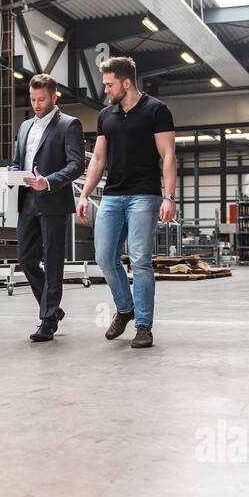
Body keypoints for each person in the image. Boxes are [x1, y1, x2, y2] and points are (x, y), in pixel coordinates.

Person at [76, 56, 176, 349]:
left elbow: (168, 155)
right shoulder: (106, 115)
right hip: (112, 195)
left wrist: (169, 196)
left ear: (126, 82)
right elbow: (98, 158)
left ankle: (144, 325)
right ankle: (125, 308)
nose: (105, 90)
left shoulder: (157, 111)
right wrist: (84, 193)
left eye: (109, 84)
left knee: (140, 259)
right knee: (104, 257)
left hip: (144, 194)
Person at [8, 74, 84, 342]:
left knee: (52, 263)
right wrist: (12, 172)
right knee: (26, 259)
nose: (36, 104)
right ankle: (52, 307)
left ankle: (48, 319)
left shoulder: (69, 125)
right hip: (27, 201)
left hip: (53, 202)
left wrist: (48, 182)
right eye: (32, 99)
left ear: (54, 97)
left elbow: (76, 165)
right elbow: (19, 161)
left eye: (41, 99)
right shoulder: (25, 126)